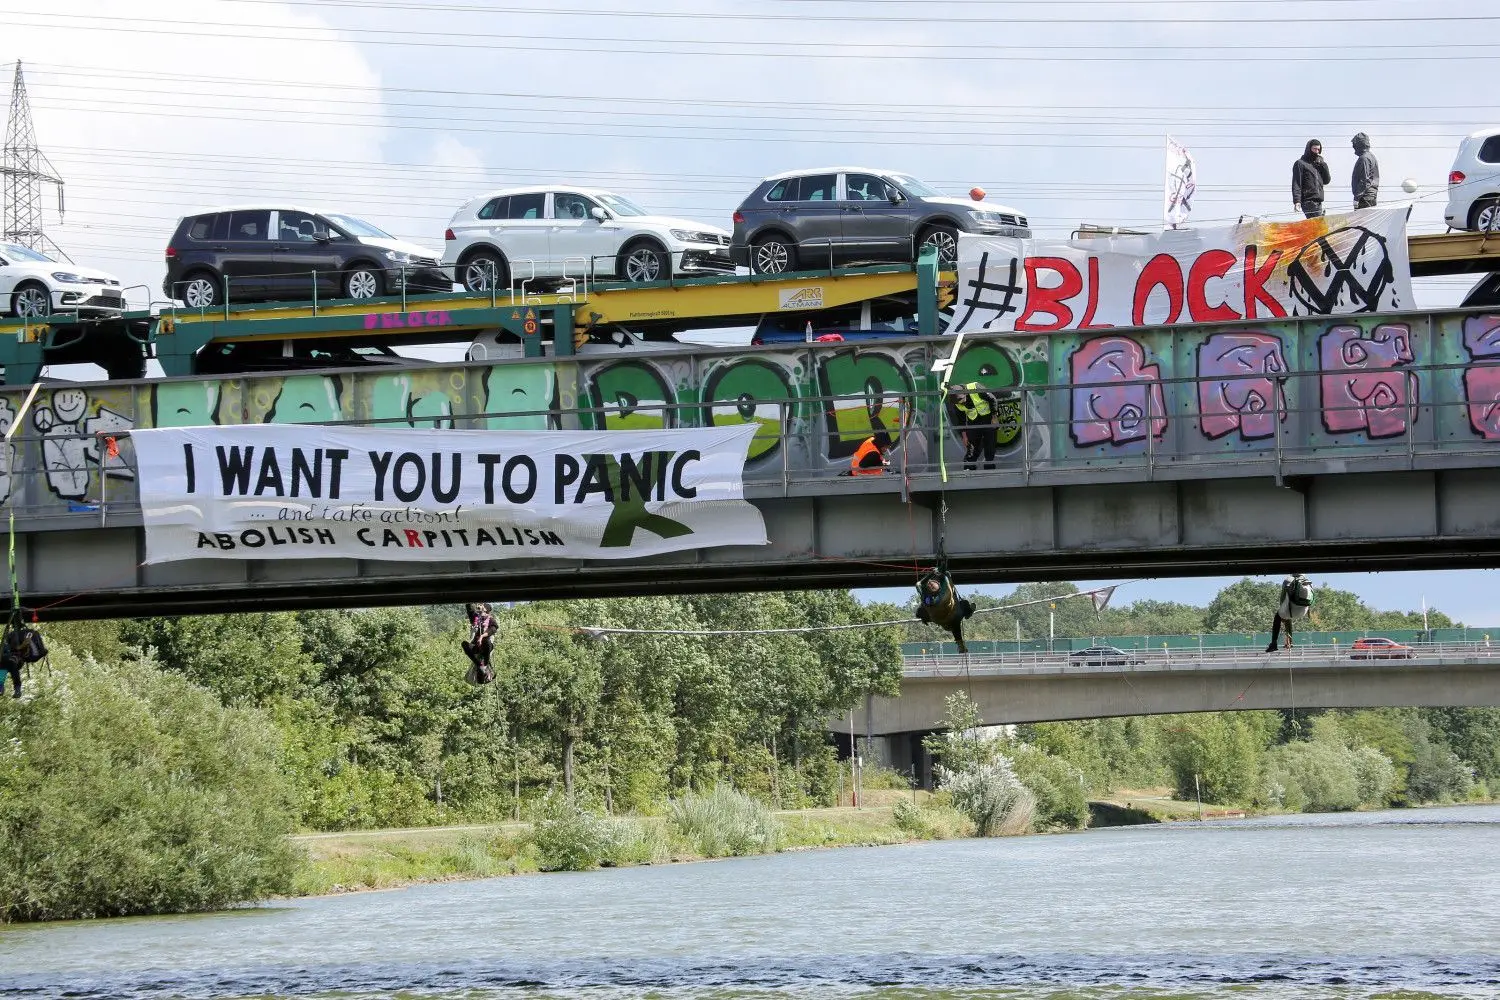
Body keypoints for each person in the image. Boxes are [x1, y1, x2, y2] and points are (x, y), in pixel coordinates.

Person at [914, 561, 976, 653]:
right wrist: (939, 571)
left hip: (937, 618)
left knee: (920, 611)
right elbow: (946, 576)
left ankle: (924, 618)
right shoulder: (943, 596)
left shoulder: (925, 595)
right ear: (939, 587)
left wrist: (931, 574)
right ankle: (968, 613)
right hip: (949, 615)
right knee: (962, 607)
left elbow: (918, 584)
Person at [945, 381, 999, 471]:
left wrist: (994, 417)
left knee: (990, 447)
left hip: (989, 420)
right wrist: (964, 436)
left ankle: (989, 471)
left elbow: (992, 399)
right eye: (957, 402)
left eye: (961, 400)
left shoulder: (975, 387)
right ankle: (968, 470)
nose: (960, 403)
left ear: (965, 393)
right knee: (972, 448)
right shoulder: (956, 402)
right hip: (974, 422)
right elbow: (961, 420)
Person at [1266, 573, 1314, 652]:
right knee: (1287, 615)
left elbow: (1282, 600)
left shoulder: (1287, 580)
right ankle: (1290, 641)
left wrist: (1282, 610)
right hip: (1303, 612)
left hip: (1290, 611)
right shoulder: (1309, 582)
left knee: (1279, 616)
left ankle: (1274, 643)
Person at [1292, 140, 1331, 219]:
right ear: (1309, 149)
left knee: (1317, 225)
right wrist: (1297, 201)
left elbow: (1326, 181)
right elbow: (1296, 183)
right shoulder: (1300, 163)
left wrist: (1323, 165)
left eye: (1318, 149)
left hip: (1318, 201)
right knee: (1318, 224)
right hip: (1308, 200)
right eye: (1314, 149)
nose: (1317, 151)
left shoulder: (1318, 165)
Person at [462, 602, 498, 684]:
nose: (479, 606)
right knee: (464, 644)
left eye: (482, 605)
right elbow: (469, 609)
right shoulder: (476, 618)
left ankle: (485, 664)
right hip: (476, 647)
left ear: (486, 609)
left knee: (486, 641)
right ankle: (479, 664)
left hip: (486, 647)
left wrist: (482, 637)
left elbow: (493, 629)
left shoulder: (491, 620)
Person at [1352, 133, 1380, 209]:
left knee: (1362, 220)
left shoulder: (1364, 158)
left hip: (1365, 198)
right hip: (1369, 197)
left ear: (1359, 144)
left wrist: (1357, 198)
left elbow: (1364, 179)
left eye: (1355, 145)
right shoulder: (1370, 156)